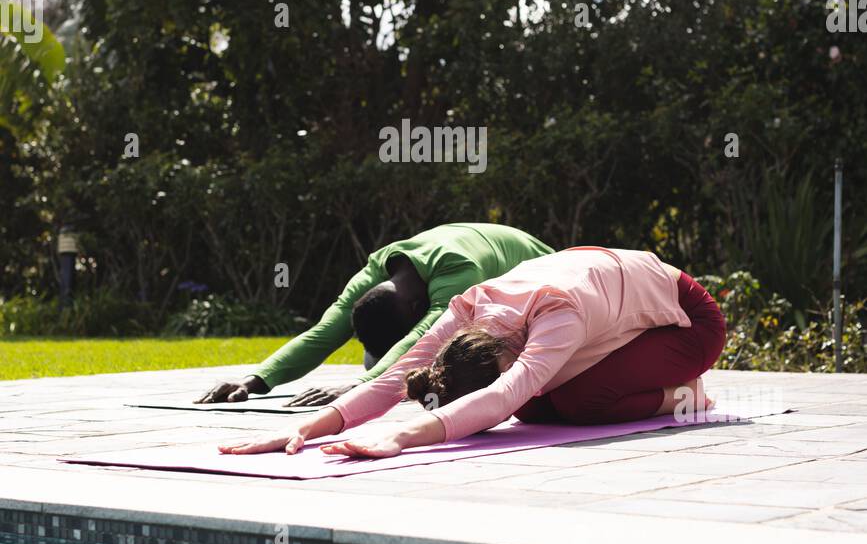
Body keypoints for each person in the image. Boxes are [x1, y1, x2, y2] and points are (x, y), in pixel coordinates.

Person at [218, 247, 726, 459]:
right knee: (536, 407)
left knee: (576, 403)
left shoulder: (557, 315)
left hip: (686, 320)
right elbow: (397, 376)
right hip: (608, 292)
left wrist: (401, 436)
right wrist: (308, 428)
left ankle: (686, 395)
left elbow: (505, 393)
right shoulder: (469, 308)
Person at [196, 222, 552, 405]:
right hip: (478, 259)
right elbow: (323, 333)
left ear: (418, 308)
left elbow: (423, 337)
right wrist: (254, 381)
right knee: (377, 363)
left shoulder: (458, 272)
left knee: (468, 362)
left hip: (540, 270)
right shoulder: (373, 275)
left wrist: (360, 388)